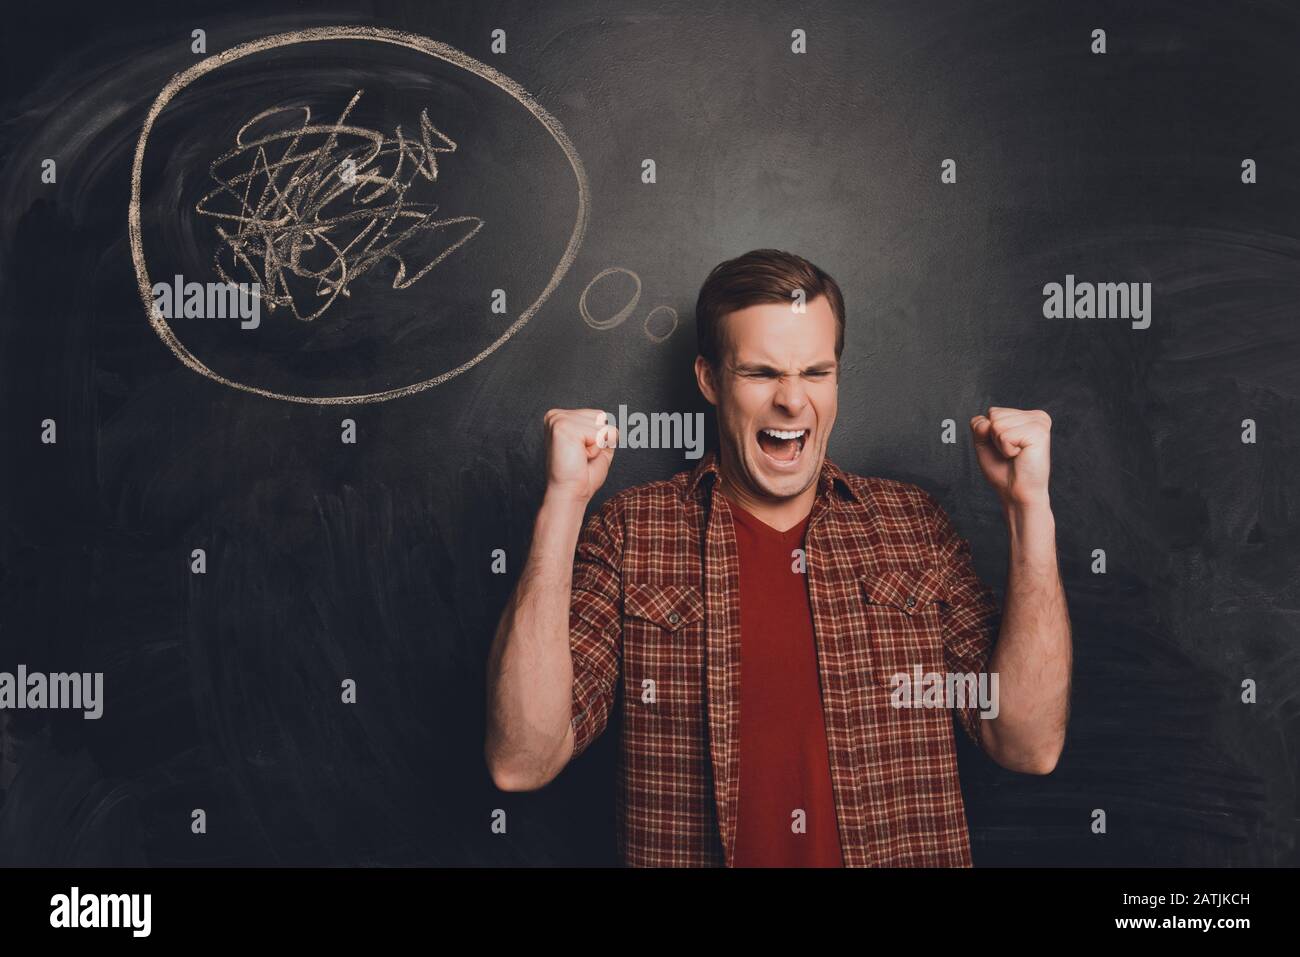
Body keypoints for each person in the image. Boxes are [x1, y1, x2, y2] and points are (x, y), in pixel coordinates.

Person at [485, 248, 1071, 866]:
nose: (793, 402)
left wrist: (1027, 509)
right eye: (762, 373)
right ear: (710, 380)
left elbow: (1026, 744)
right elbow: (521, 761)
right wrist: (562, 505)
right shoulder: (633, 532)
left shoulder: (914, 526)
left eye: (816, 373)